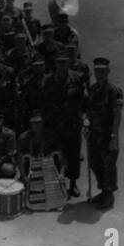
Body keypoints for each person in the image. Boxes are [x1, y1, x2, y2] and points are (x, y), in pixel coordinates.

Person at [42, 53, 86, 197]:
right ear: (55, 63)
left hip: (72, 124)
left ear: (68, 63)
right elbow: (44, 103)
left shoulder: (77, 78)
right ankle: (57, 186)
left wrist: (83, 118)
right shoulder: (48, 80)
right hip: (55, 125)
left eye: (64, 62)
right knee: (56, 156)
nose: (62, 65)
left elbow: (82, 100)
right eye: (59, 62)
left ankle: (73, 185)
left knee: (73, 156)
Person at [85, 57, 122, 208]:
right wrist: (86, 123)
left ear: (108, 71)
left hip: (107, 136)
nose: (99, 74)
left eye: (102, 71)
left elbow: (118, 115)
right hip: (94, 135)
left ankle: (109, 196)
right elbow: (89, 111)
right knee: (95, 163)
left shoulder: (114, 91)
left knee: (109, 166)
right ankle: (103, 191)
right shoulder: (93, 89)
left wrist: (114, 135)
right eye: (97, 71)